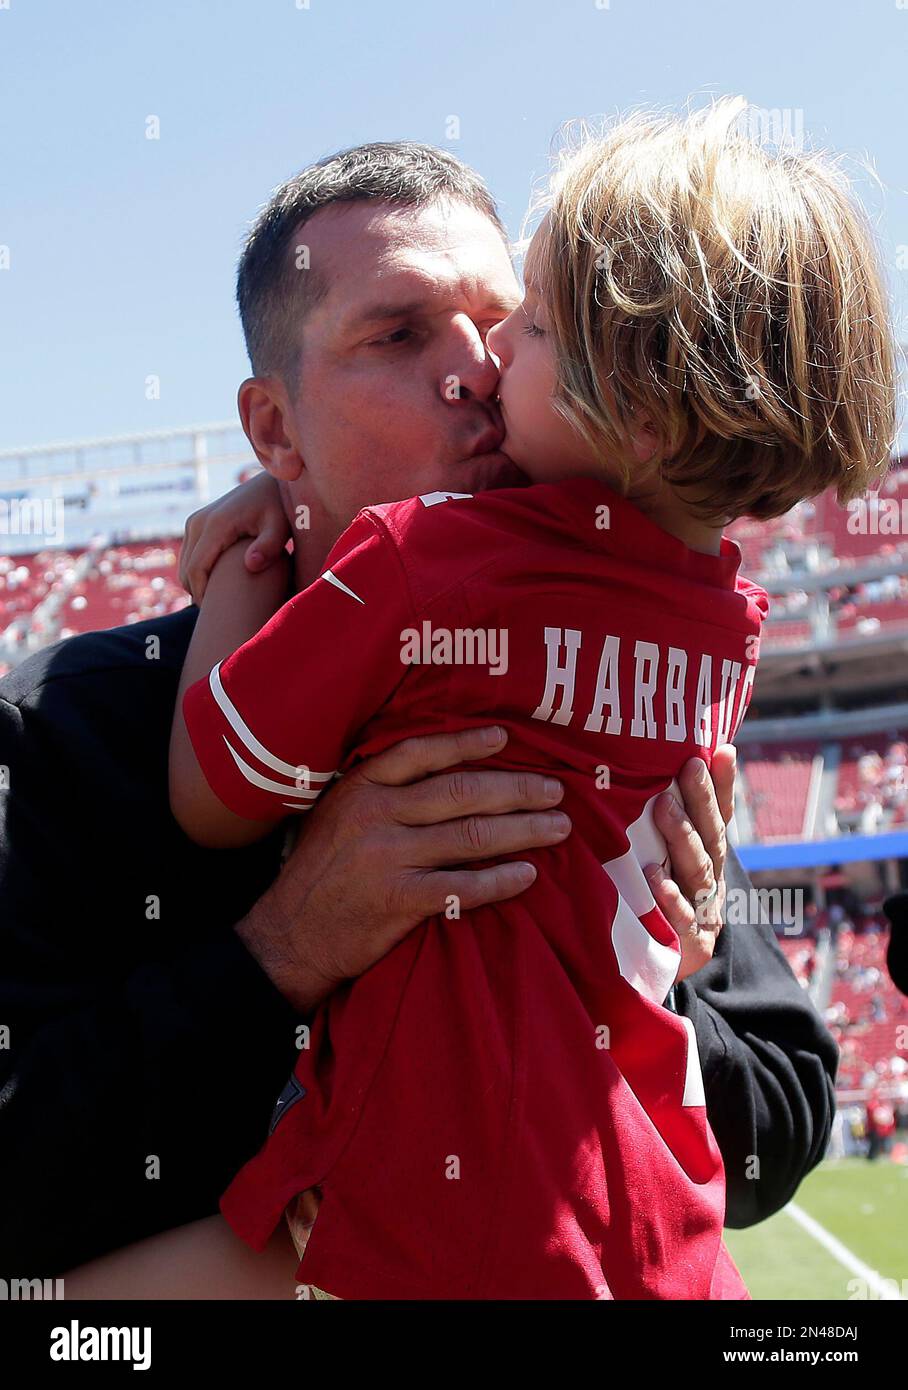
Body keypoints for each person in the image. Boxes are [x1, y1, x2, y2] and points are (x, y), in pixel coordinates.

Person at [0, 135, 838, 1285]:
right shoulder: (66, 728)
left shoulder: (618, 684)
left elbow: (785, 1119)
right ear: (275, 433)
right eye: (398, 336)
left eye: (512, 326)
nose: (479, 375)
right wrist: (281, 952)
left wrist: (654, 974)